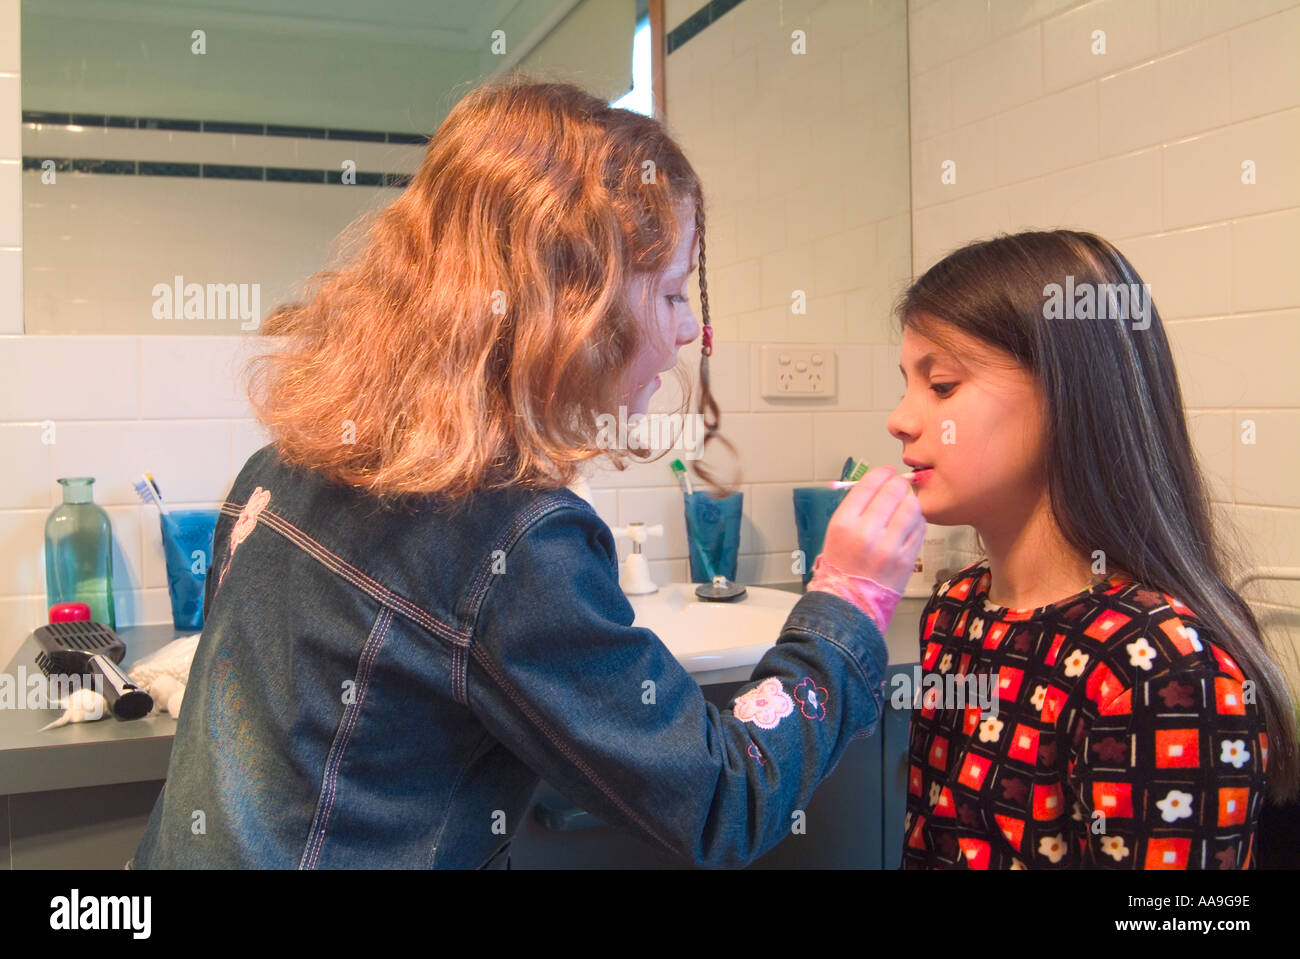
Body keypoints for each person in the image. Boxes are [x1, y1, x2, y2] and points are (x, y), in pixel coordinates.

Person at [127, 75, 925, 869]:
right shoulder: (510, 540)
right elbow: (724, 797)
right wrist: (845, 601)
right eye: (672, 293)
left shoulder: (280, 466)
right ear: (574, 304)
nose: (689, 330)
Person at [888, 230, 1298, 869]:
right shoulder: (955, 607)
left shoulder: (1163, 674)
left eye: (941, 385)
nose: (900, 419)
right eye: (907, 384)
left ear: (1069, 395)